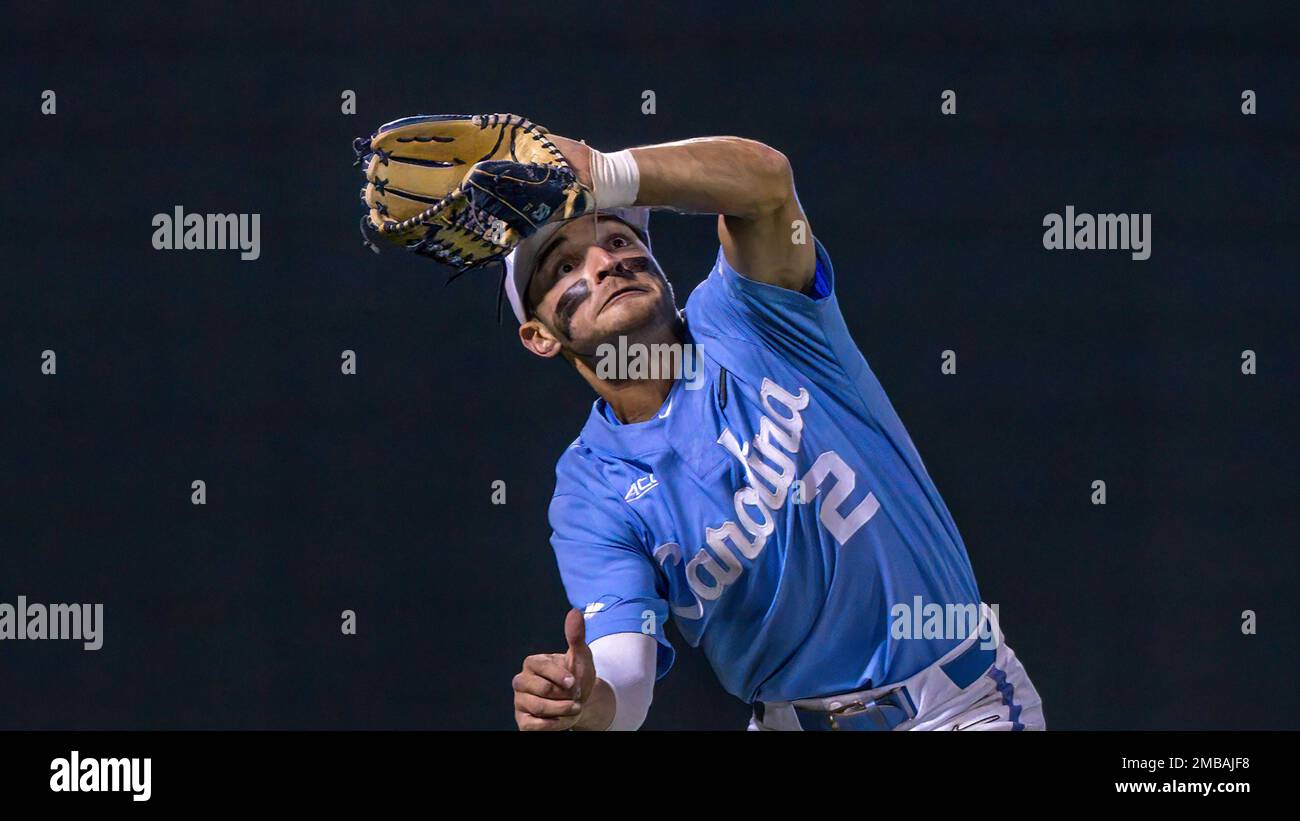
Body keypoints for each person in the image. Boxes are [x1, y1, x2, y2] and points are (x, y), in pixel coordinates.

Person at [506, 133, 1045, 731]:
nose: (605, 261)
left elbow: (766, 188)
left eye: (619, 239)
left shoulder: (749, 316)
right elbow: (624, 682)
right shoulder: (590, 489)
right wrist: (583, 704)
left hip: (955, 706)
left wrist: (608, 172)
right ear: (540, 336)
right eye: (564, 265)